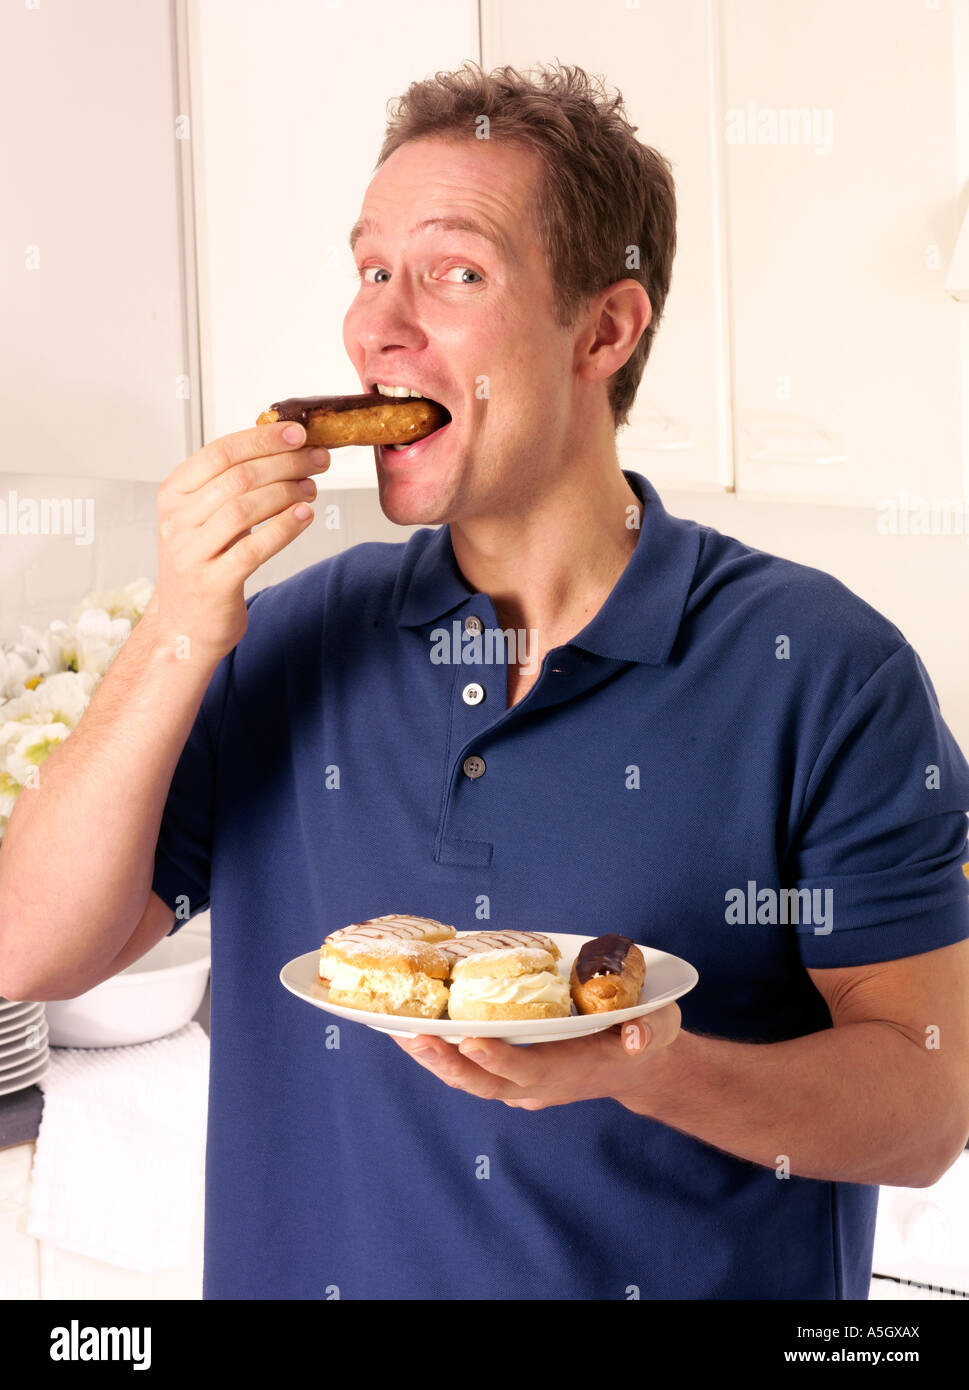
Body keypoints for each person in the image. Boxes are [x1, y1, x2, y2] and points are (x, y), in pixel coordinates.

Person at [2, 62, 968, 1301]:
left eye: (455, 272)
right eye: (369, 269)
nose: (378, 329)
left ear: (605, 330)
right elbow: (28, 947)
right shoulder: (281, 641)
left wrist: (642, 1066)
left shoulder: (822, 670)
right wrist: (180, 625)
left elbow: (927, 1106)